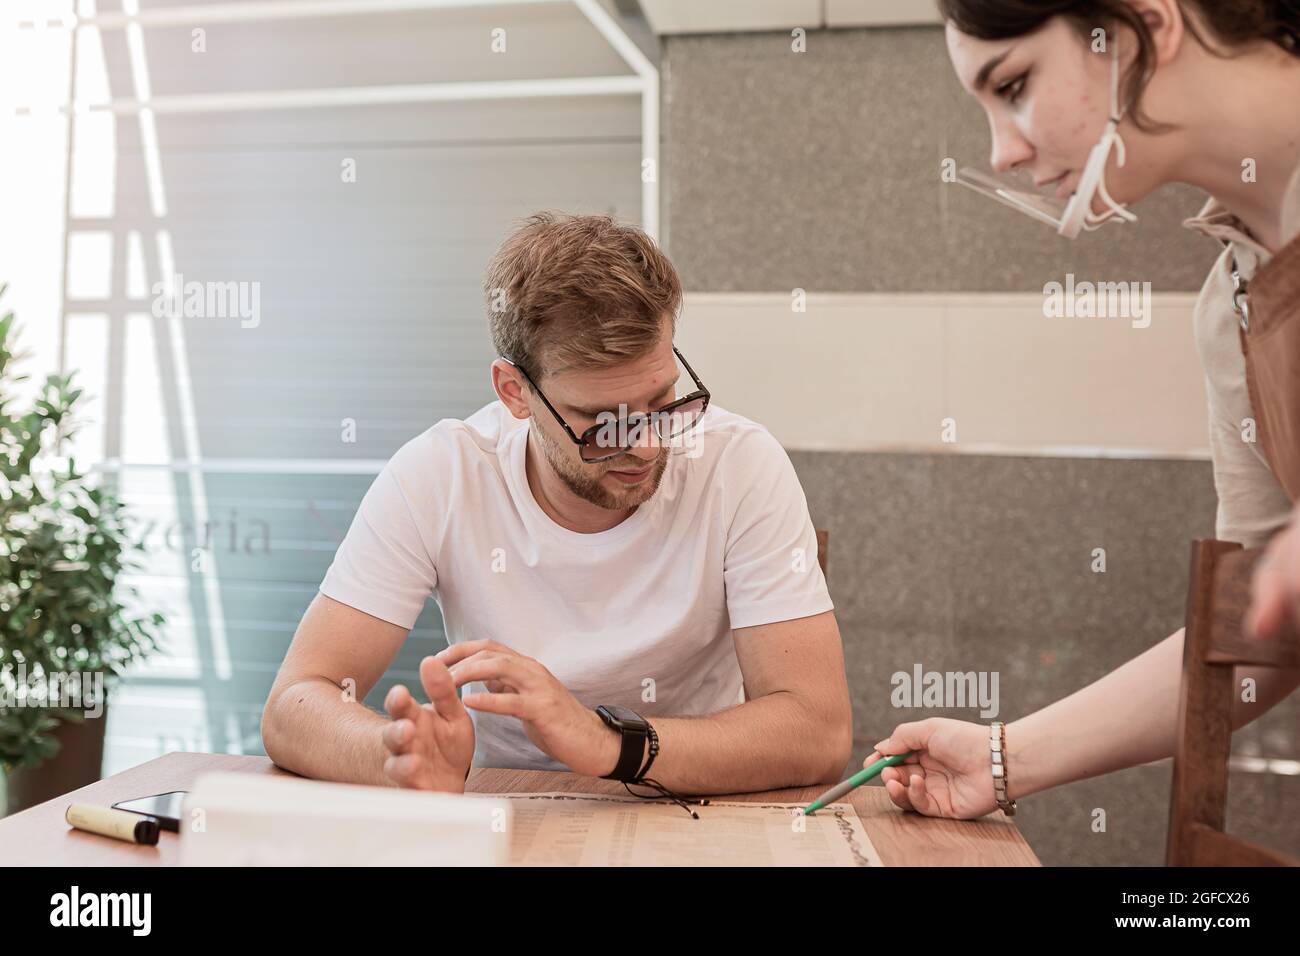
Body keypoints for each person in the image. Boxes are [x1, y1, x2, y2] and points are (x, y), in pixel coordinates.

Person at [870, 0, 1300, 818]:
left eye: (1015, 84)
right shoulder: (1233, 309)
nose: (1001, 151)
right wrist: (1001, 761)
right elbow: (1255, 638)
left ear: (1146, 21)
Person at [262, 212, 853, 799]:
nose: (646, 445)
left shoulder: (740, 464)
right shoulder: (440, 474)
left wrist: (607, 744)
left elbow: (818, 731)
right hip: (510, 810)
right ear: (514, 392)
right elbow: (295, 703)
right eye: (602, 423)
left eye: (662, 399)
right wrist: (394, 761)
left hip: (695, 802)